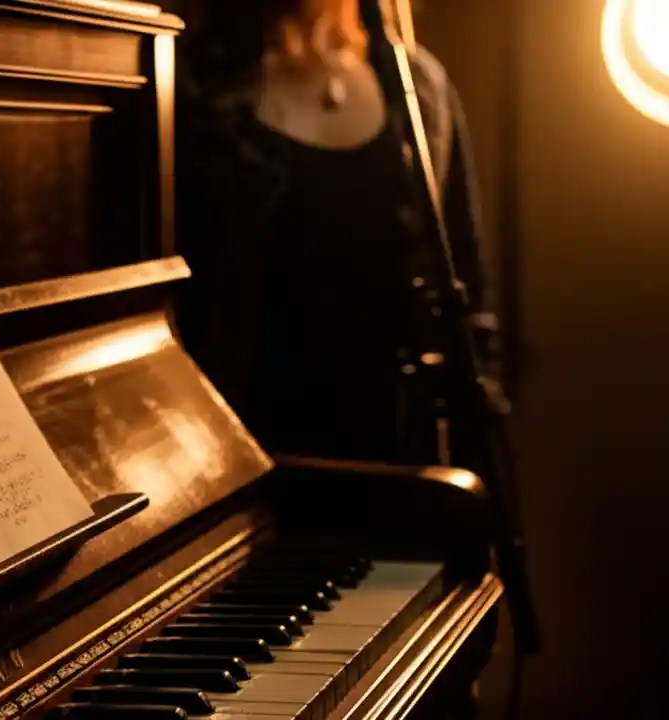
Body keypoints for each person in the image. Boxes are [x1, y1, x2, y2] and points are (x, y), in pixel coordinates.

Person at [175, 0, 503, 464]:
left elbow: (469, 299)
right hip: (248, 467)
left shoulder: (416, 86)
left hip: (399, 469)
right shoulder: (192, 84)